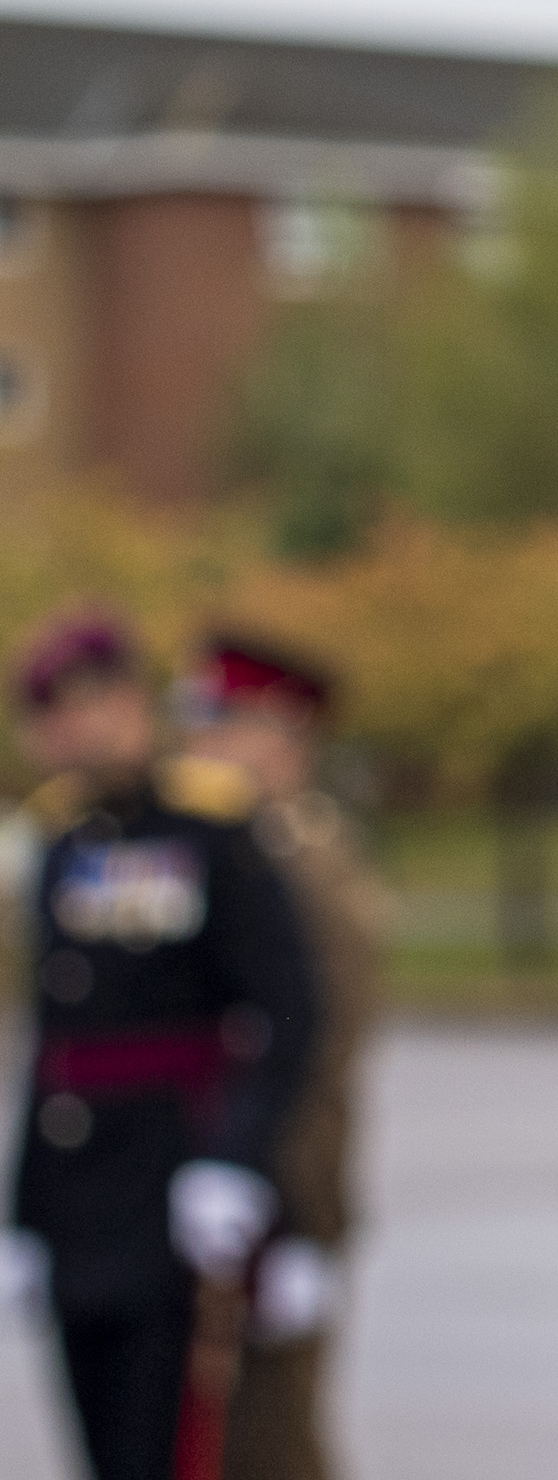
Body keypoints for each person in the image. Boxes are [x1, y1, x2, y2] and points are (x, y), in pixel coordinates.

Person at [6, 610, 321, 1480]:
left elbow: (287, 1012)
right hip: (76, 1200)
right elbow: (56, 1038)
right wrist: (22, 1212)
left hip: (174, 1185)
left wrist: (239, 1166)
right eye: (55, 713)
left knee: (167, 1449)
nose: (78, 730)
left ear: (135, 704)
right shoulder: (61, 838)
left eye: (95, 704)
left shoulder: (210, 829)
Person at [177, 630, 382, 1480]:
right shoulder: (235, 847)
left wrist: (306, 1225)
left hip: (276, 1193)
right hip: (217, 1189)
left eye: (220, 724)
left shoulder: (304, 863)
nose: (197, 745)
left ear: (282, 735)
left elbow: (319, 1060)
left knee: (270, 1446)